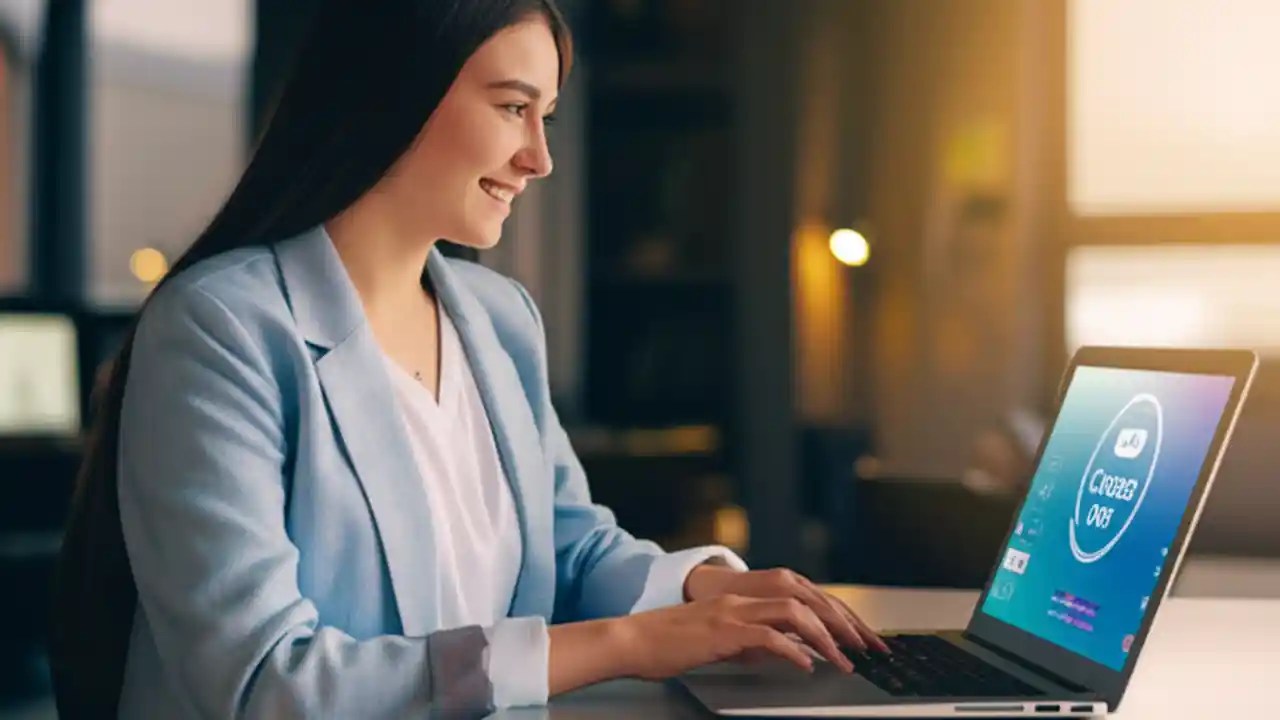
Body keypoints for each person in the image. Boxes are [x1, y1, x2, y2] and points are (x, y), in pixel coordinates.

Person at [51, 1, 886, 717]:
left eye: (545, 115)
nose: (539, 158)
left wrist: (705, 593)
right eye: (512, 107)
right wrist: (629, 643)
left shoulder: (498, 319)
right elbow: (266, 683)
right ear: (397, 94)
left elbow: (570, 547)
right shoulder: (221, 328)